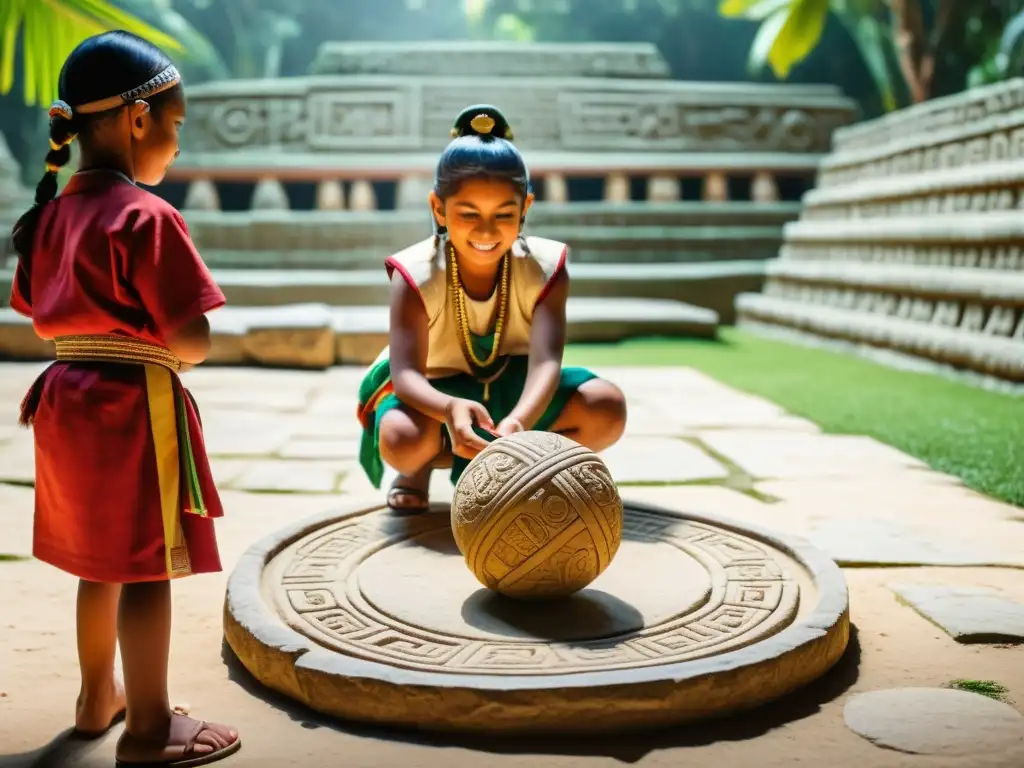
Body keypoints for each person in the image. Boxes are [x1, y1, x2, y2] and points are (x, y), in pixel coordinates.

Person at [9, 31, 240, 766]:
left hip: (66, 400)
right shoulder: (146, 218)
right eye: (173, 127)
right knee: (146, 566)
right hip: (134, 407)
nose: (174, 145)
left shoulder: (45, 219)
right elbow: (192, 338)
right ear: (138, 120)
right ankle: (147, 728)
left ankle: (93, 697)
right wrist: (182, 347)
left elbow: (33, 306)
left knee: (97, 562)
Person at [357, 104, 627, 512]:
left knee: (606, 407)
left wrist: (519, 420)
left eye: (504, 214)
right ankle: (418, 469)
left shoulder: (545, 267)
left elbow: (546, 363)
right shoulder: (414, 272)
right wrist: (449, 408)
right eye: (468, 214)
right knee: (401, 439)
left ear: (526, 209)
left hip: (514, 383)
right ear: (438, 209)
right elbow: (406, 373)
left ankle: (527, 468)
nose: (486, 230)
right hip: (434, 390)